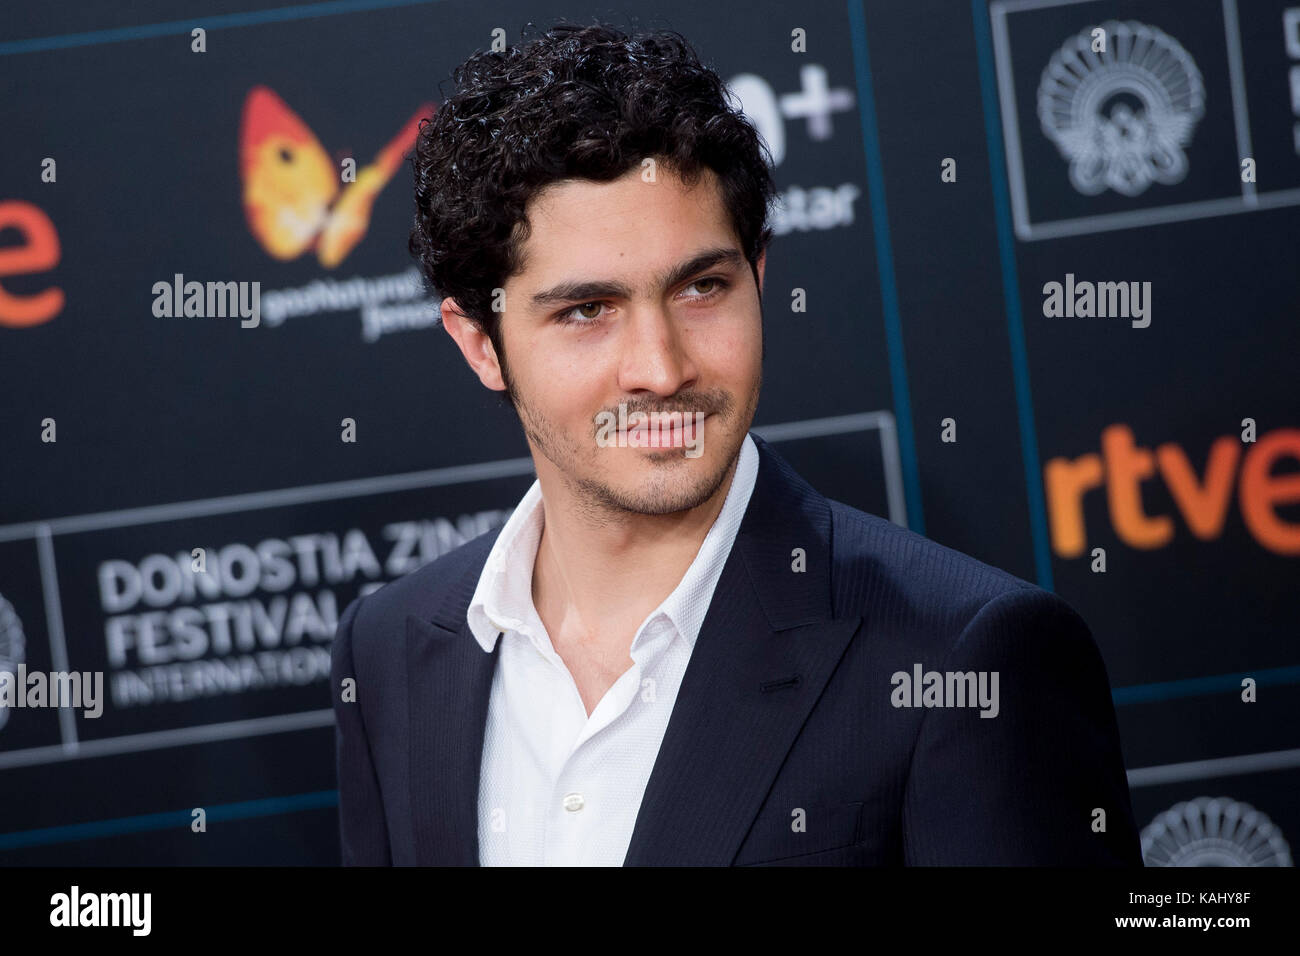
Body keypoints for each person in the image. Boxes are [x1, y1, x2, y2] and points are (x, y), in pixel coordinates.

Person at [330, 21, 1142, 866]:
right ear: (478, 343)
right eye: (586, 311)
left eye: (701, 288)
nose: (660, 367)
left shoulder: (964, 656)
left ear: (759, 277)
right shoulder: (390, 653)